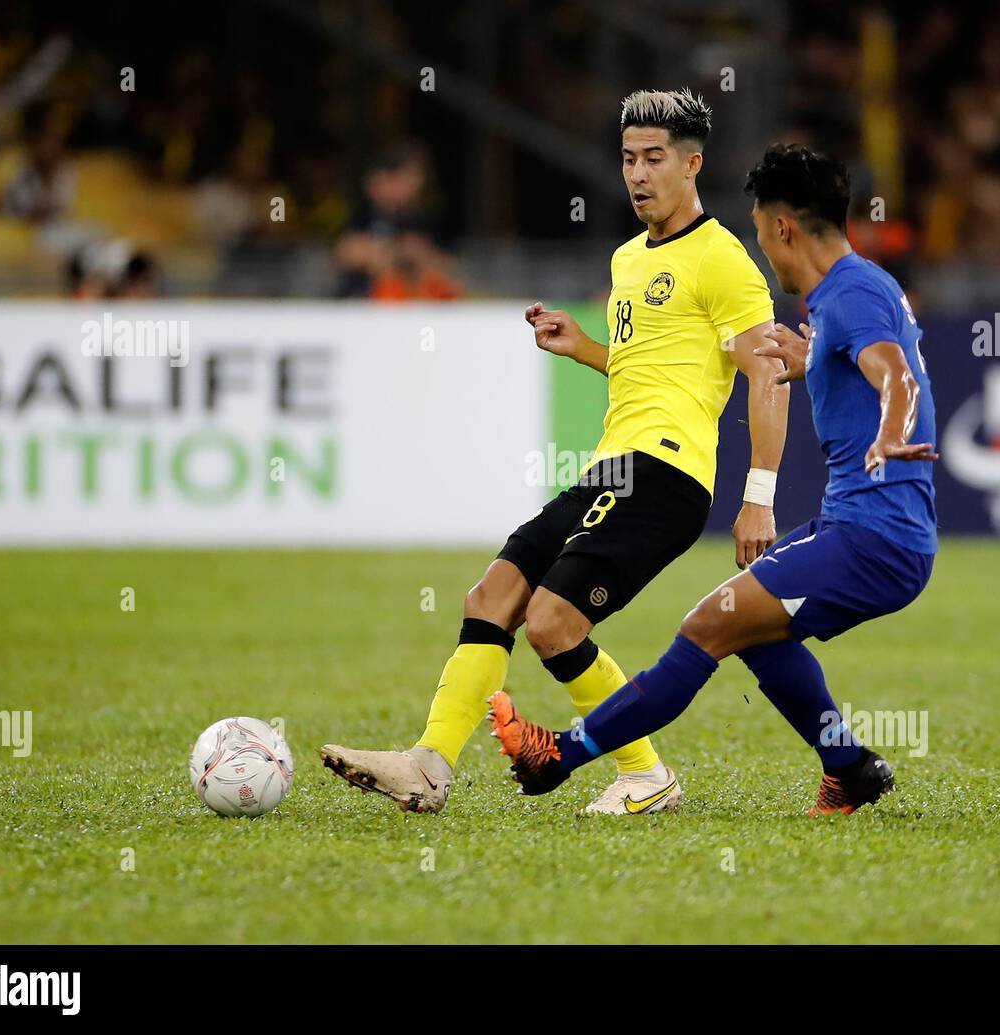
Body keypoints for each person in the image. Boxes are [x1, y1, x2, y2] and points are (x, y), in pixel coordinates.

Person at [320, 89, 788, 815]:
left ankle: (645, 773)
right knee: (493, 597)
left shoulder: (724, 260)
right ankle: (428, 763)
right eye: (628, 157)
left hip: (665, 475)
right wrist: (587, 350)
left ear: (692, 164)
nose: (637, 173)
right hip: (614, 466)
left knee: (552, 621)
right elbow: (649, 366)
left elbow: (768, 371)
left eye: (654, 158)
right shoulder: (628, 259)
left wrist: (758, 494)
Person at [490, 145, 939, 817]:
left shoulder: (846, 294)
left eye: (762, 236)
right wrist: (813, 358)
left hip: (878, 536)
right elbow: (863, 356)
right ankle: (848, 766)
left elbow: (893, 371)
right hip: (858, 526)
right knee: (754, 633)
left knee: (707, 624)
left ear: (783, 228)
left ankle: (559, 755)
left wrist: (893, 428)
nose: (765, 253)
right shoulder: (861, 289)